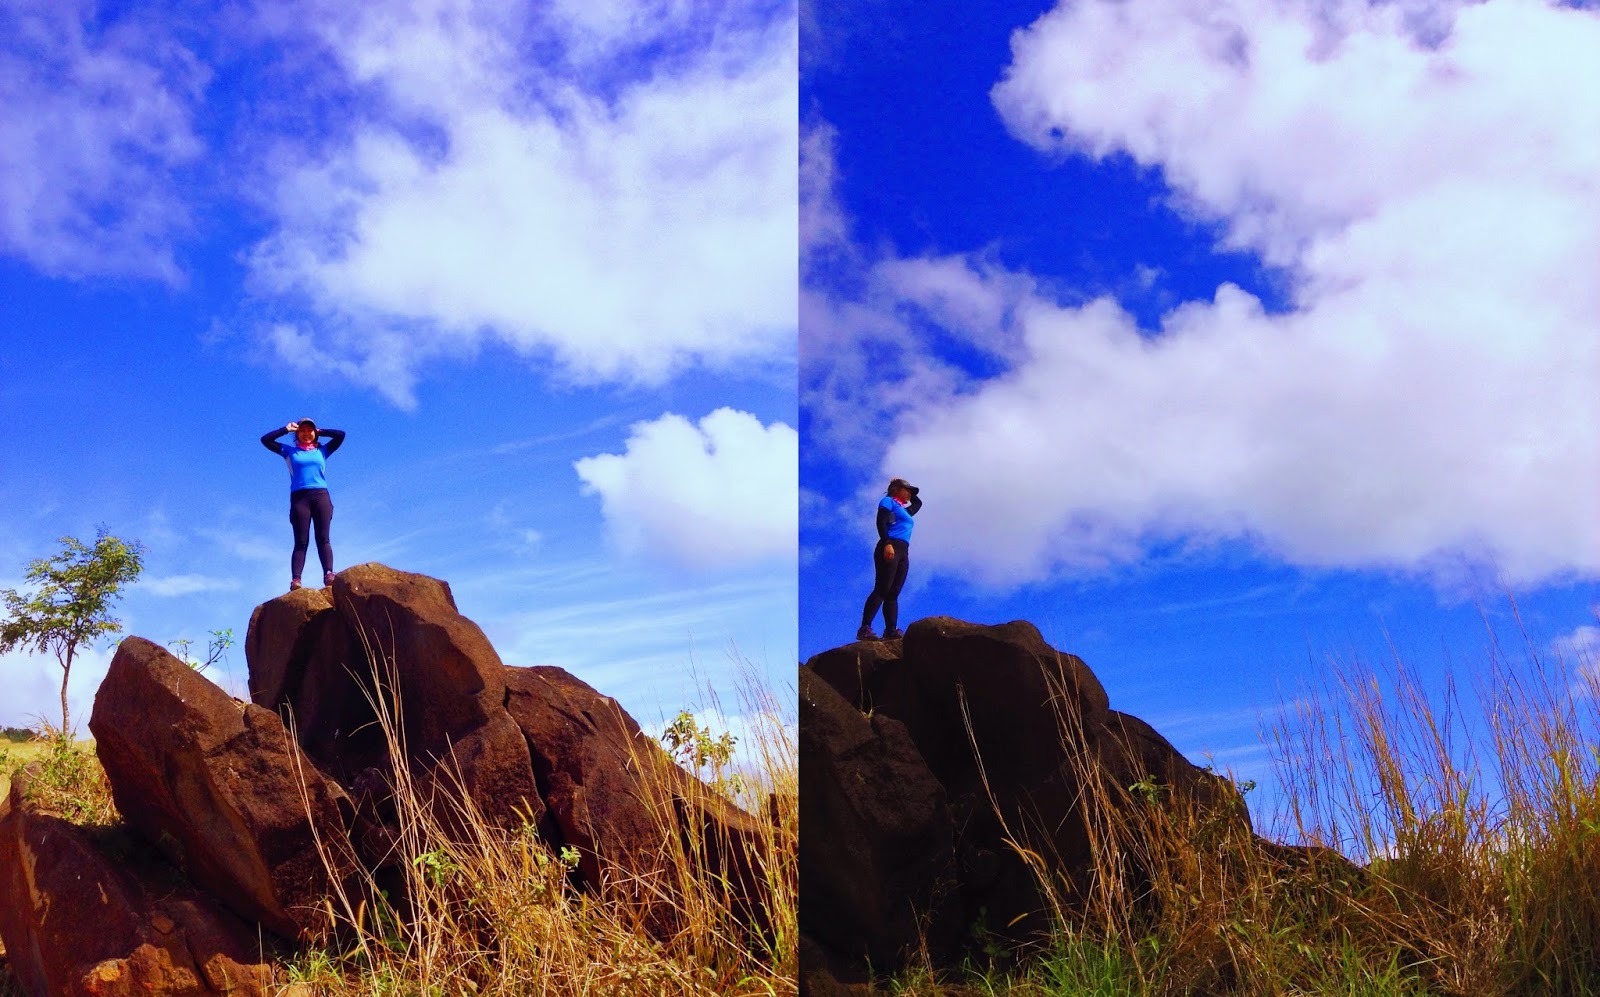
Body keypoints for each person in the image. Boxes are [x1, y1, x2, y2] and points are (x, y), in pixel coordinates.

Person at [260, 418, 346, 591]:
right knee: (301, 541)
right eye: (302, 430)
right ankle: (296, 580)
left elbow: (340, 435)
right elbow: (265, 440)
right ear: (297, 434)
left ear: (315, 433)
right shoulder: (289, 452)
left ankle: (329, 573)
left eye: (310, 430)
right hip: (300, 499)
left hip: (321, 496)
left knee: (323, 538)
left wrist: (322, 431)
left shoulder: (323, 451)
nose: (306, 433)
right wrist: (285, 429)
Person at [857, 477, 921, 642]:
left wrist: (907, 489)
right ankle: (865, 627)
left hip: (903, 551)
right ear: (896, 489)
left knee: (893, 593)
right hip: (889, 546)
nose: (909, 494)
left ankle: (890, 630)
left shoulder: (904, 510)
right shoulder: (888, 502)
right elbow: (881, 522)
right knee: (882, 588)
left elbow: (918, 503)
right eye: (906, 490)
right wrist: (886, 543)